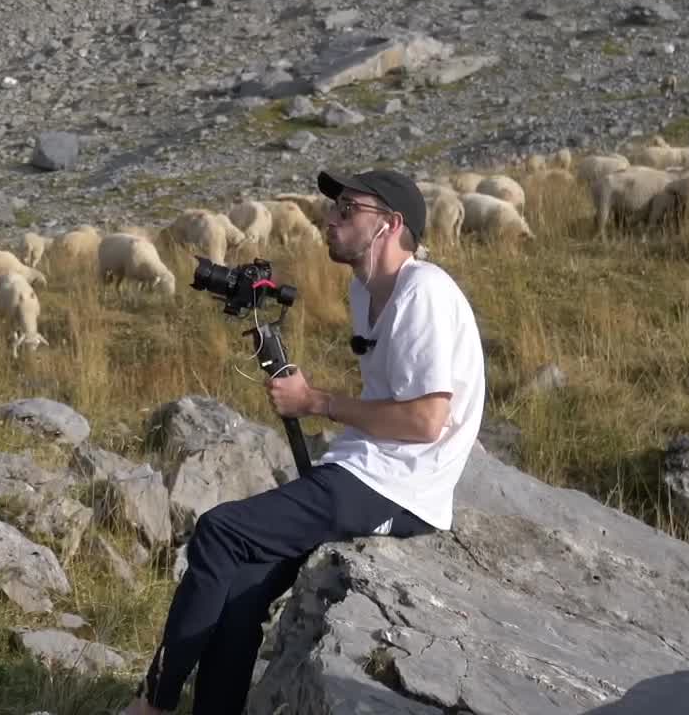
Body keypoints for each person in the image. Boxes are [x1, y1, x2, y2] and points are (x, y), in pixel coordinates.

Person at [125, 168, 486, 714]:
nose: (330, 218)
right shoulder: (365, 289)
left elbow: (427, 421)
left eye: (347, 210)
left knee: (220, 532)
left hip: (402, 488)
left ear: (389, 225)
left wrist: (314, 401)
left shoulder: (424, 290)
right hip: (365, 468)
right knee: (243, 586)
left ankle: (156, 700)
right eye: (332, 207)